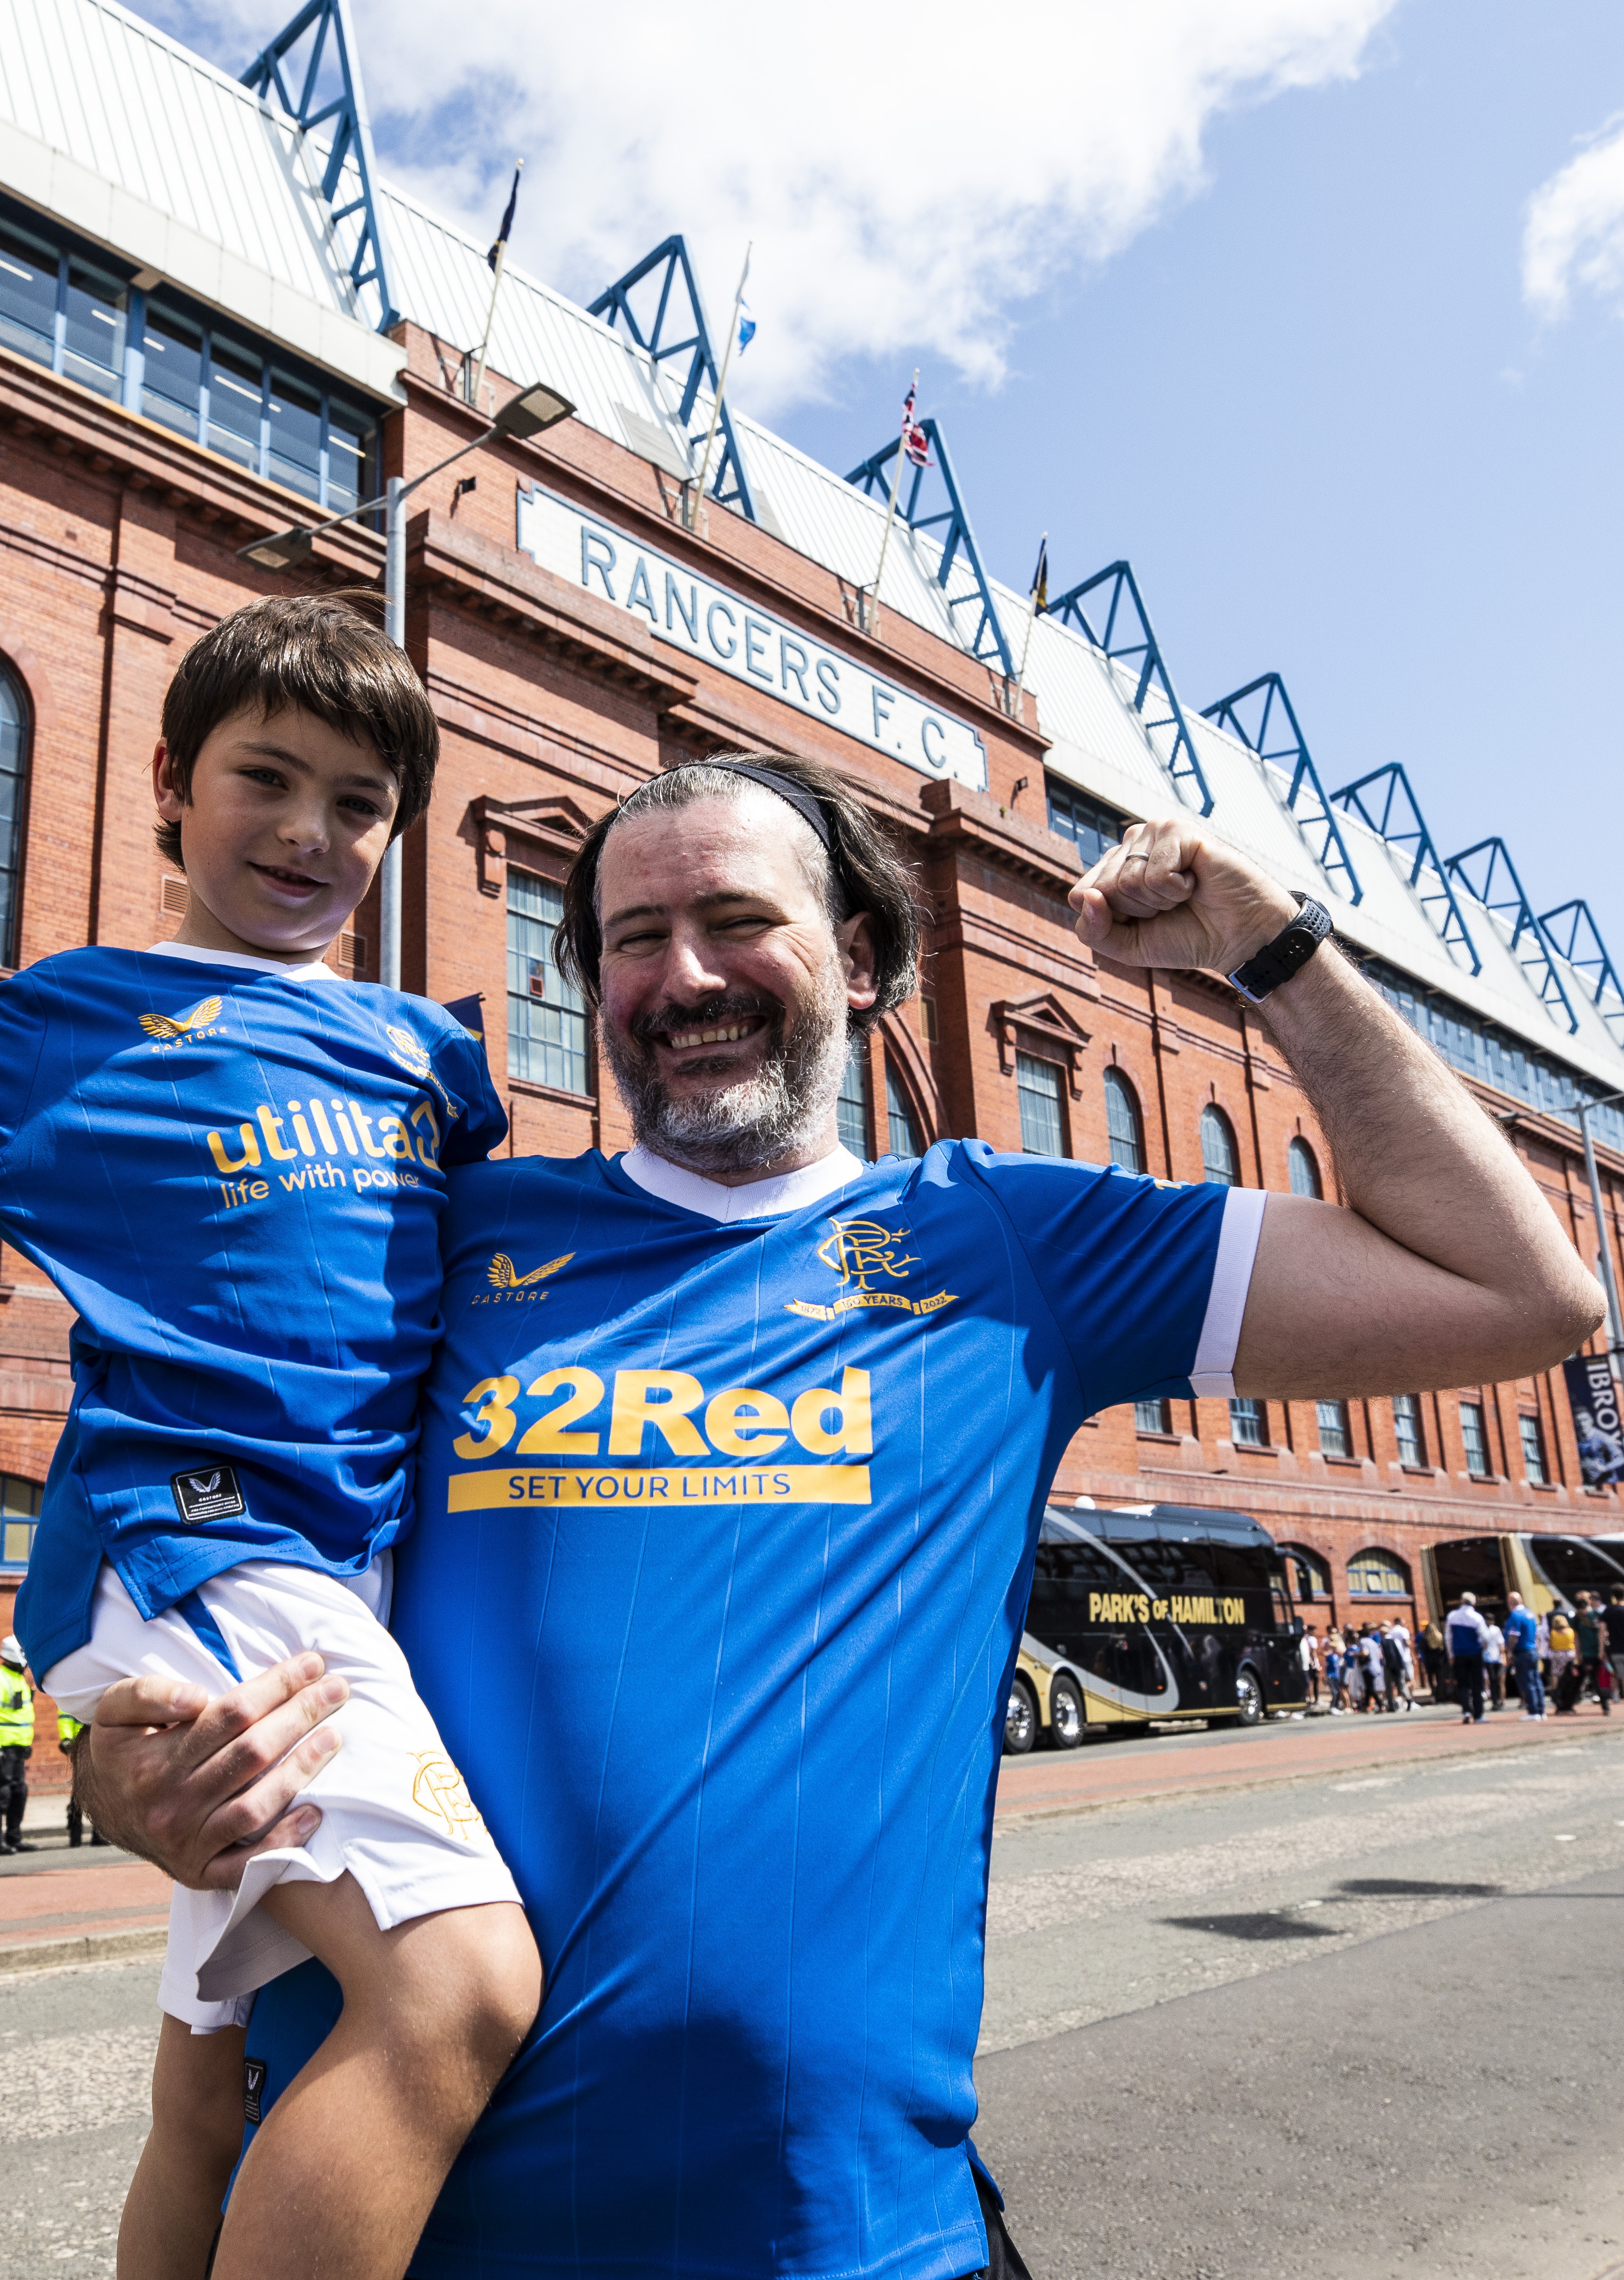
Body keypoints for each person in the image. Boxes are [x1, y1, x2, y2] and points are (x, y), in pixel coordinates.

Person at [77, 766, 1603, 2280]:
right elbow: (176, 1494)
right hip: (420, 2237)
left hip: (850, 2243)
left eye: (739, 919)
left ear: (863, 959)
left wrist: (1275, 954)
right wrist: (122, 1762)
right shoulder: (447, 1233)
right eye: (632, 936)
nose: (683, 977)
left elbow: (1521, 1291)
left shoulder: (1015, 1242)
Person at [0, 596, 542, 2280]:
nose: (311, 830)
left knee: (215, 2087)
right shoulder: (85, 1015)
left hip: (359, 1564)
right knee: (456, 1982)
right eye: (268, 777)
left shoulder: (429, 1052)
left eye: (358, 801)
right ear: (172, 786)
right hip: (202, 1541)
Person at [0, 1633, 36, 1855]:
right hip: (2, 1748)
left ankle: (14, 1836)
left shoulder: (18, 1679)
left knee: (19, 1792)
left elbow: (20, 1716)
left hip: (18, 1749)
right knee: (2, 1794)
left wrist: (26, 1743)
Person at [58, 1713, 103, 1847]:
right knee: (80, 1792)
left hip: (96, 1743)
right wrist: (67, 1740)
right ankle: (75, 1835)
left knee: (98, 1791)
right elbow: (65, 1717)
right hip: (80, 1745)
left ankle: (99, 1834)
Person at [1448, 1592, 1491, 1722]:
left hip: (1459, 1654)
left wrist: (1451, 1655)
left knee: (1463, 1684)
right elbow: (1485, 1637)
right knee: (1477, 1684)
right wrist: (1483, 1648)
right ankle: (1478, 1715)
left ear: (1461, 1602)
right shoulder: (1477, 1617)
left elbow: (1448, 1638)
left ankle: (1466, 1710)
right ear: (1474, 1603)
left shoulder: (1452, 1616)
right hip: (1474, 1653)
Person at [1505, 1591, 1546, 1721]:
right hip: (1533, 1650)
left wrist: (1509, 1652)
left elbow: (1513, 1637)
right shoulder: (1530, 1614)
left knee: (1526, 1681)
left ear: (1511, 1603)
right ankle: (1541, 1710)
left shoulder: (1515, 1616)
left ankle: (1533, 1711)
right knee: (1536, 1680)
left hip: (1522, 1652)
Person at [1573, 1592, 1613, 1714]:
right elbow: (1576, 1637)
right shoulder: (1577, 1618)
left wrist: (1603, 1650)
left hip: (1600, 1651)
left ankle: (1607, 1699)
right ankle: (1605, 1704)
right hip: (1587, 1654)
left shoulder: (1597, 1614)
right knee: (1594, 1678)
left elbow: (1605, 1632)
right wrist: (1578, 1654)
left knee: (1606, 1676)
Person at [1481, 1610, 1506, 1711]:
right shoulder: (1492, 1630)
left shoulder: (1492, 1630)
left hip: (1492, 1658)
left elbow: (1501, 1644)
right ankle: (1497, 1701)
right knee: (1494, 1680)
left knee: (1494, 1680)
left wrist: (1503, 1655)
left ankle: (1497, 1701)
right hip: (1492, 1658)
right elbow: (1501, 1644)